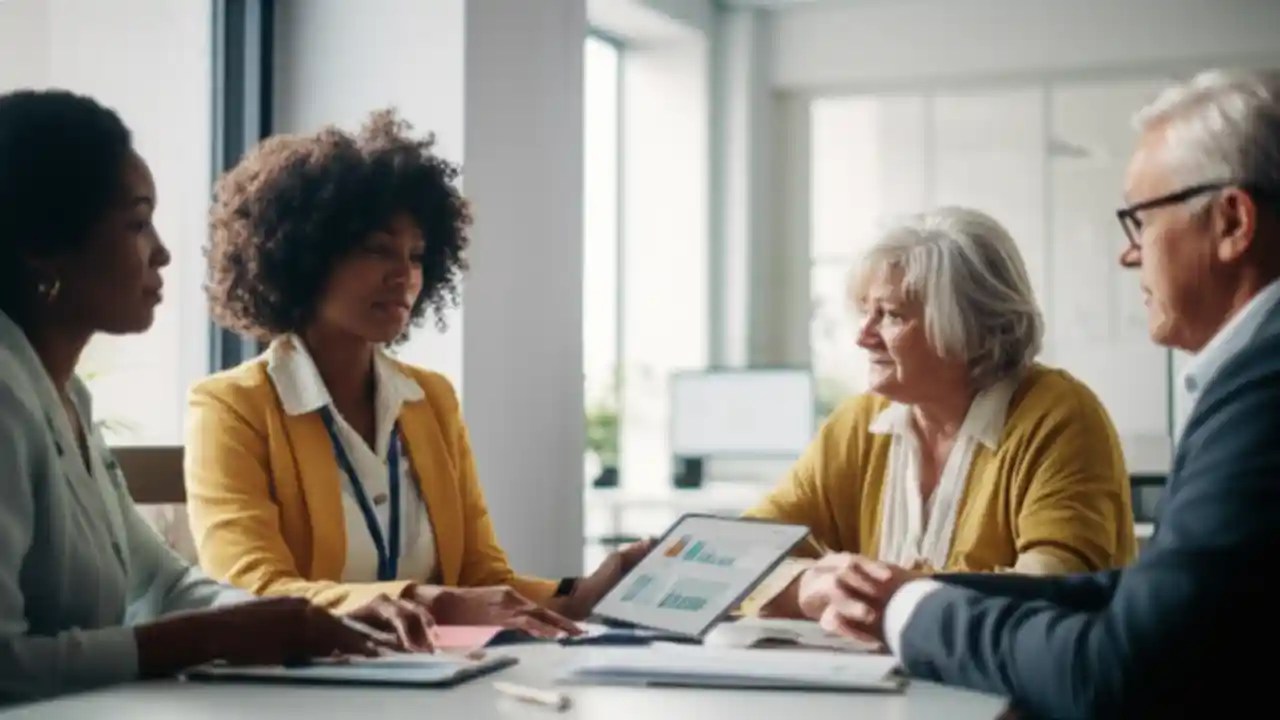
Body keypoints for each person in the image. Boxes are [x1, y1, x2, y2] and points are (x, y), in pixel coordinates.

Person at [800, 68, 1280, 718]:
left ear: (1232, 221)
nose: (1128, 255)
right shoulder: (1248, 375)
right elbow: (1142, 594)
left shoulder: (1260, 391)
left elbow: (1119, 665)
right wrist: (902, 591)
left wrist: (907, 608)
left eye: (1139, 221)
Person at [0, 89, 428, 705]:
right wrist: (204, 638)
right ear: (42, 244)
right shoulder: (4, 400)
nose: (163, 252)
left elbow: (167, 584)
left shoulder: (65, 400)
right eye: (137, 222)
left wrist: (293, 621)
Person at [185, 109, 645, 638]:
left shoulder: (431, 399)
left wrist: (585, 593)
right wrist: (427, 600)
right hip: (310, 687)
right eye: (377, 250)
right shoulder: (231, 406)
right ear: (304, 254)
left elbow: (480, 577)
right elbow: (252, 587)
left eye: (418, 255)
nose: (404, 275)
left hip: (438, 678)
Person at [740, 206, 1136, 619]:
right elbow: (737, 560)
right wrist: (808, 588)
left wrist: (894, 594)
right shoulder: (857, 425)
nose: (863, 337)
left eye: (892, 315)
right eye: (865, 312)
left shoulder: (1059, 417)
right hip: (882, 681)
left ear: (972, 329)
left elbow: (1055, 587)